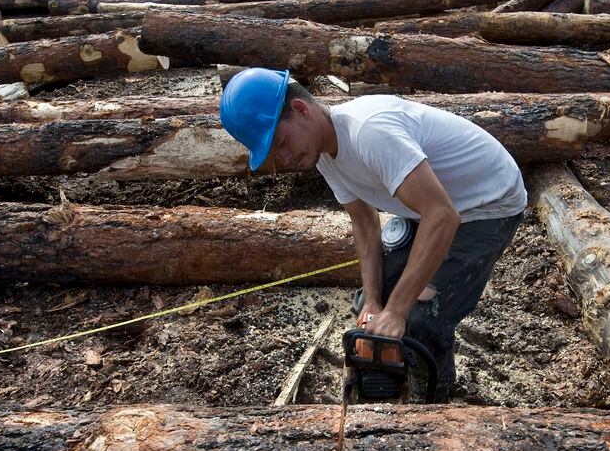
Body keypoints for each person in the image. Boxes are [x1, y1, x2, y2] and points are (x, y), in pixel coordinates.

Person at [220, 68, 526, 399]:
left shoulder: (369, 132)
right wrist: (374, 301)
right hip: (431, 205)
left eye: (281, 143)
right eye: (274, 153)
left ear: (300, 109)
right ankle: (393, 372)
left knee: (421, 316)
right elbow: (364, 222)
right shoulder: (324, 154)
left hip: (488, 204)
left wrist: (396, 310)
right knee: (372, 300)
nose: (284, 158)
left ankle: (433, 395)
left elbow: (442, 216)